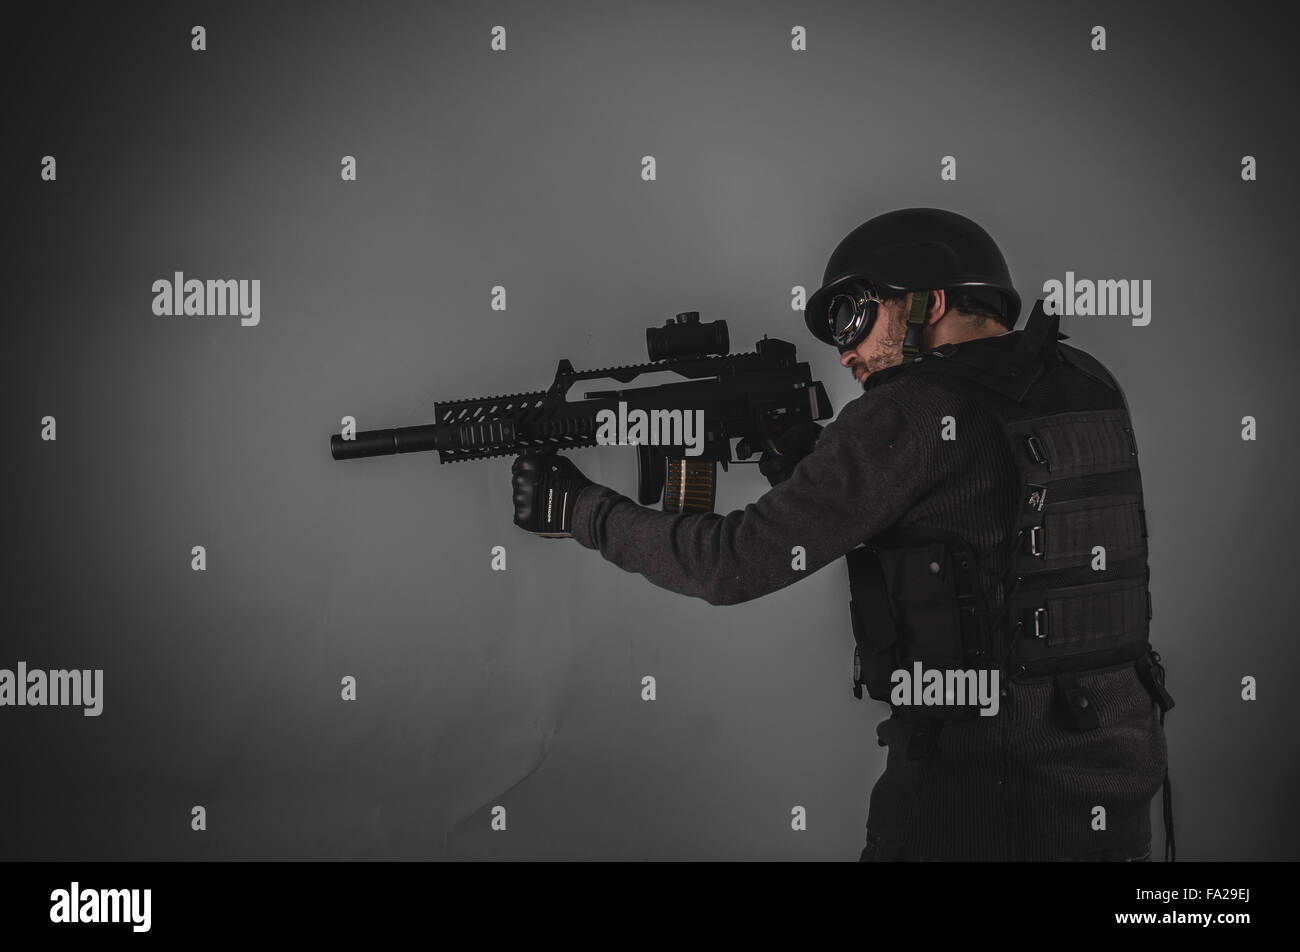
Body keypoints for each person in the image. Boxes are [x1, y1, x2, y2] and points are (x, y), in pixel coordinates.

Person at [510, 208, 1173, 861]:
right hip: (1111, 796)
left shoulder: (908, 412)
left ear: (929, 301)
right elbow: (976, 515)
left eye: (854, 316)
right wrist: (802, 459)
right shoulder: (1087, 381)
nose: (847, 351)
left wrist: (582, 510)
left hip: (974, 814)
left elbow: (729, 564)